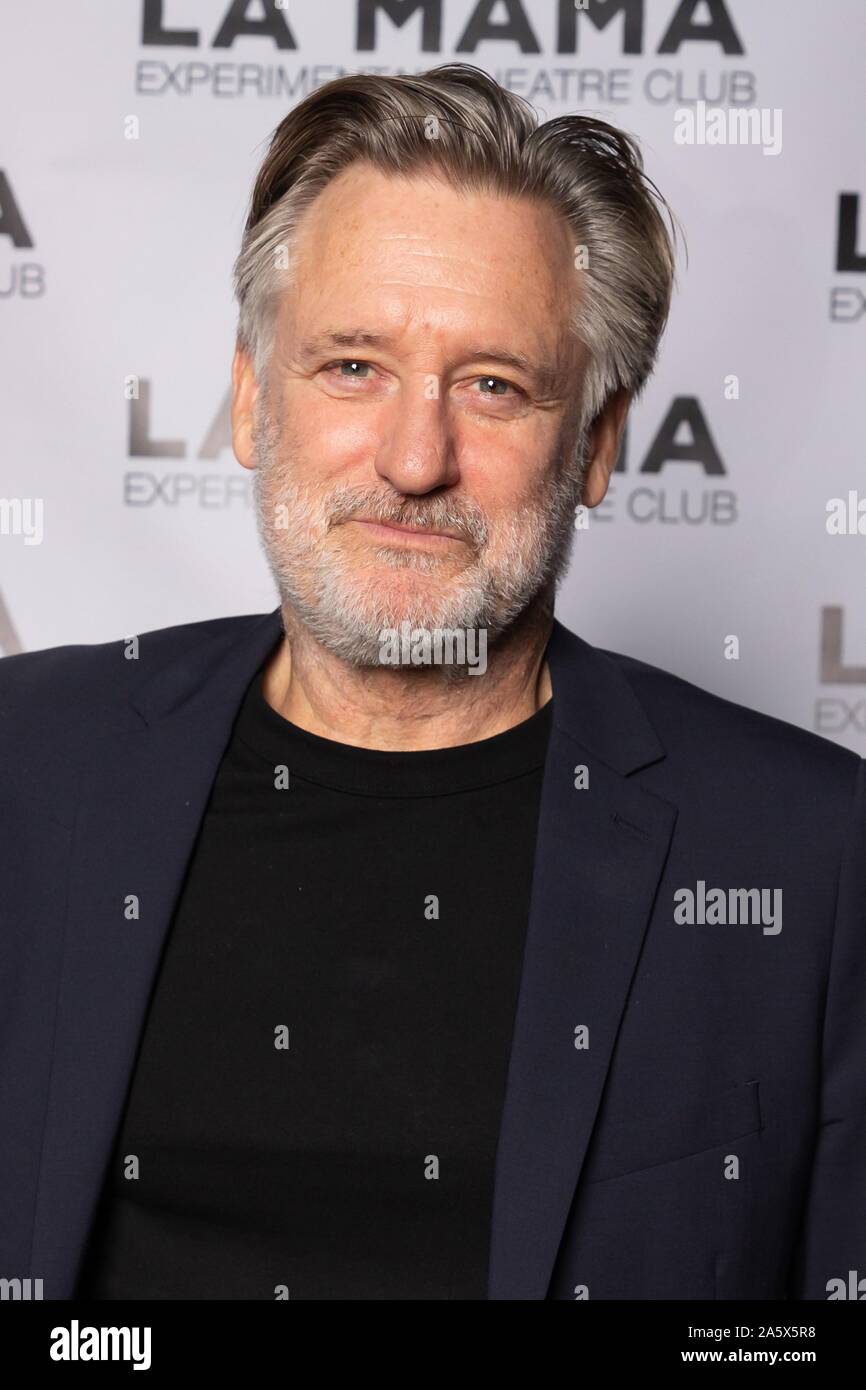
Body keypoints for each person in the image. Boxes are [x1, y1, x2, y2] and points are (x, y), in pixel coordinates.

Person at [1, 64, 863, 1302]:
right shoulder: (25, 769)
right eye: (352, 366)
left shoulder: (807, 855)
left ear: (598, 443)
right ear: (252, 399)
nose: (415, 460)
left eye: (493, 386)